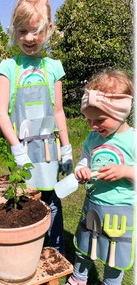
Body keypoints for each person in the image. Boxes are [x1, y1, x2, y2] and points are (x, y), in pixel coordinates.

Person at [0, 0, 73, 254]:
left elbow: (58, 111)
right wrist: (16, 149)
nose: (29, 38)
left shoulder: (53, 67)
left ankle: (54, 251)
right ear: (13, 30)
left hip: (48, 150)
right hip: (22, 151)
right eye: (22, 31)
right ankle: (27, 251)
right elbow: (1, 112)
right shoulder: (8, 67)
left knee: (51, 200)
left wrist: (67, 146)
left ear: (49, 29)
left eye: (36, 31)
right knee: (26, 202)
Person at [65, 69, 135, 285]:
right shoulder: (93, 138)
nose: (93, 126)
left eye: (99, 120)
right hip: (93, 204)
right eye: (88, 120)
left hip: (120, 209)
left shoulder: (132, 141)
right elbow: (85, 159)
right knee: (85, 243)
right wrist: (82, 169)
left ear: (121, 113)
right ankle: (79, 277)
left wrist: (126, 172)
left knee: (115, 251)